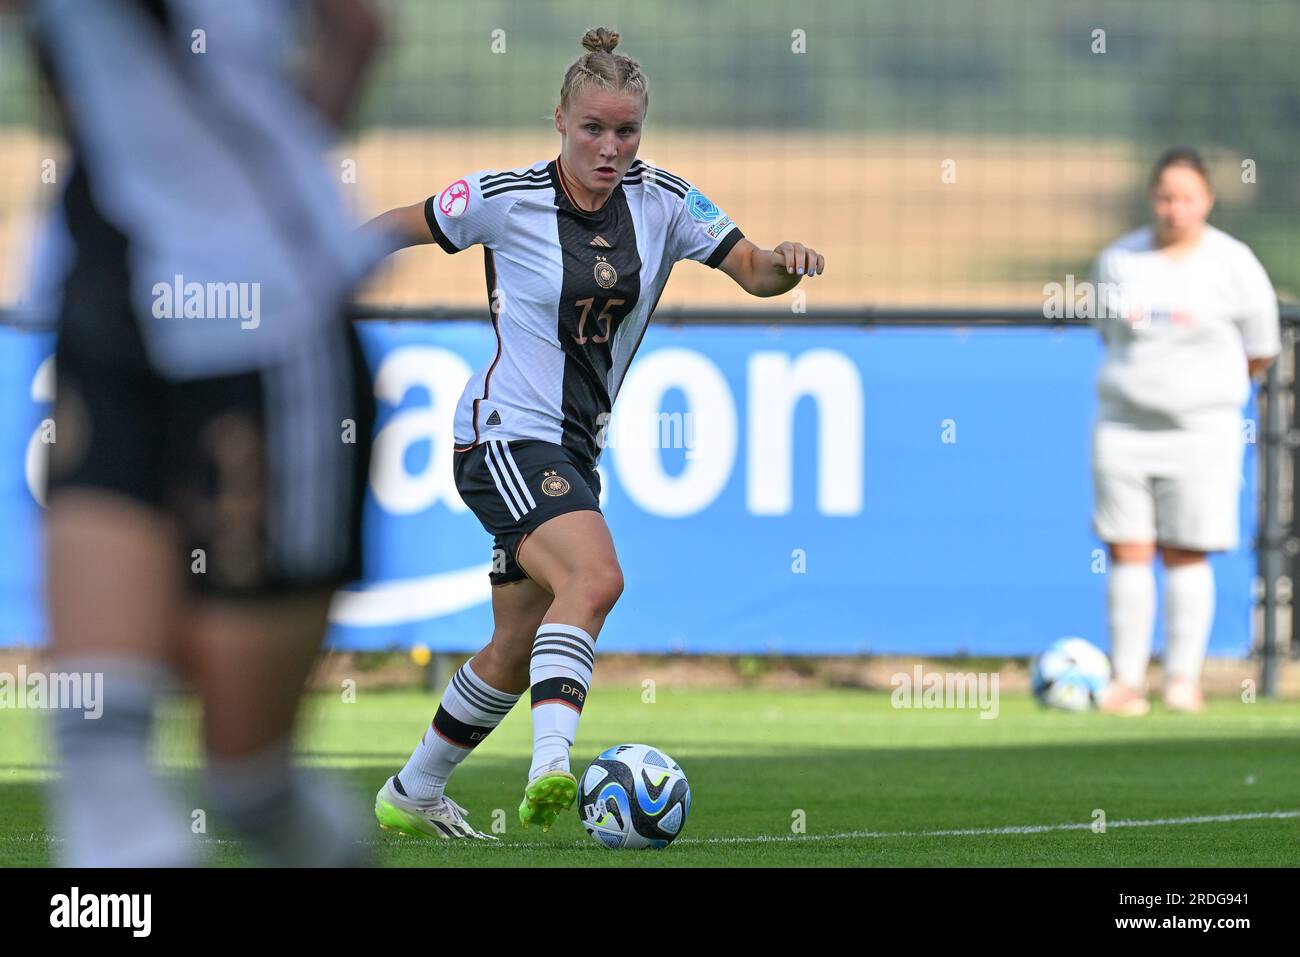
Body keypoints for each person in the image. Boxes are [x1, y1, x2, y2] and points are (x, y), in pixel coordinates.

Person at [365, 26, 825, 838]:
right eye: (593, 129)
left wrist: (784, 261)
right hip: (502, 433)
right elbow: (399, 224)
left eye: (626, 131)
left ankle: (410, 792)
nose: (610, 147)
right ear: (560, 120)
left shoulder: (668, 202)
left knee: (513, 643)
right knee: (598, 576)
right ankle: (551, 766)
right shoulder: (504, 198)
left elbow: (753, 269)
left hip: (573, 446)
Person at [29, 0, 384, 865]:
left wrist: (243, 180)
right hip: (107, 302)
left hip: (264, 334)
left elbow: (356, 29)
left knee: (250, 784)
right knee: (98, 744)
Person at [1089, 147, 1279, 716]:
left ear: (1208, 201)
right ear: (1153, 199)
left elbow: (1260, 350)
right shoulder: (1119, 260)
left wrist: (1200, 393)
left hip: (1203, 431)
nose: (1176, 210)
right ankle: (1126, 681)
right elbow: (1108, 334)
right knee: (1127, 548)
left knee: (1186, 552)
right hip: (1123, 426)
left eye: (1188, 198)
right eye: (1166, 197)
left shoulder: (1234, 263)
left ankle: (1181, 681)